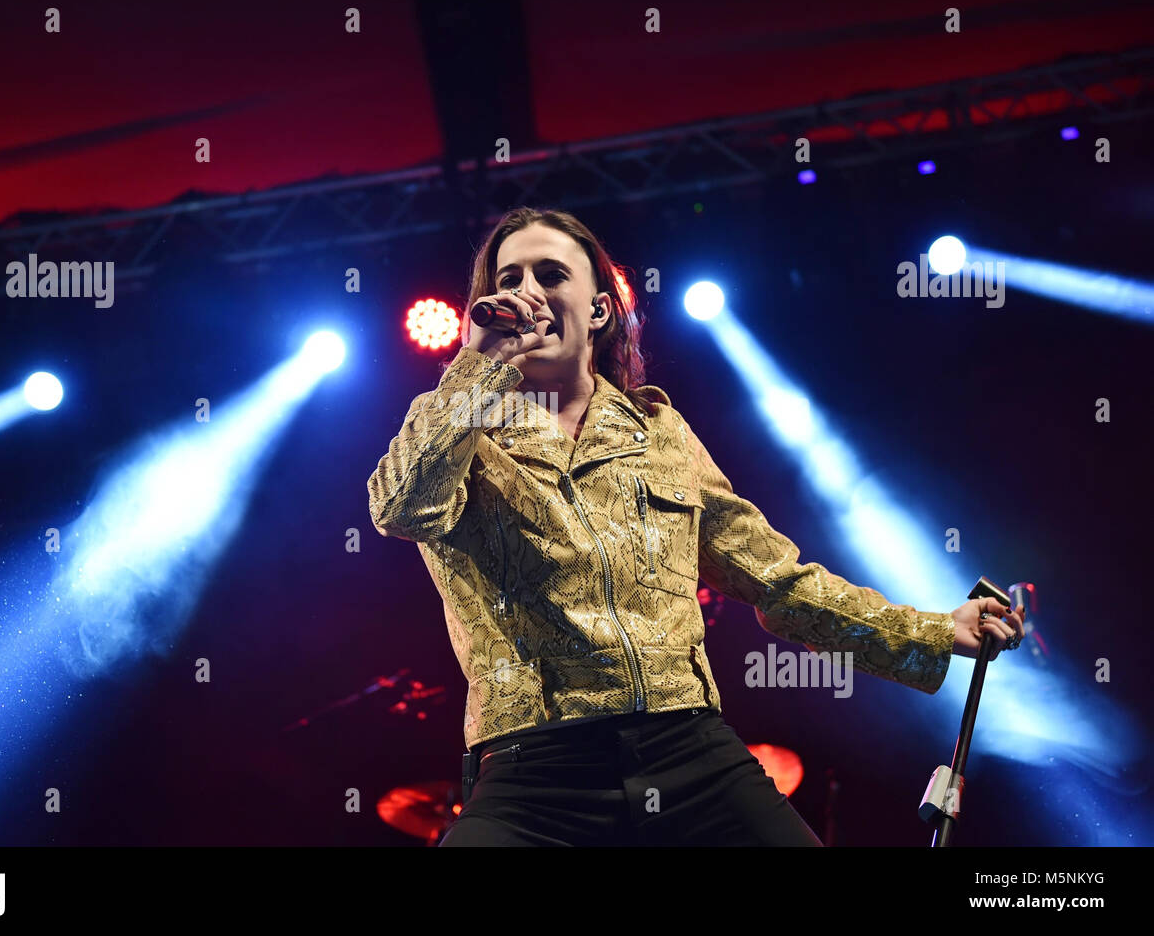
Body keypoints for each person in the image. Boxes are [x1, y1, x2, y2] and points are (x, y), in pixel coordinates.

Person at [367, 206, 1025, 846]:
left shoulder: (661, 432)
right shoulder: (461, 436)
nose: (526, 293)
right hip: (532, 769)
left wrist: (937, 630)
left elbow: (780, 584)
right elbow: (399, 507)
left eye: (550, 274)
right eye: (507, 280)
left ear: (598, 309)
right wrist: (474, 370)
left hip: (685, 749)